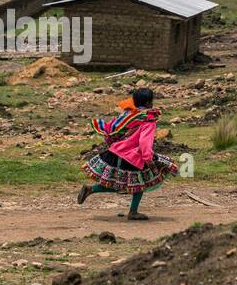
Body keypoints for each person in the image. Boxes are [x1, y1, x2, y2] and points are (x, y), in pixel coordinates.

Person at [76, 87, 178, 220]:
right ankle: (132, 211)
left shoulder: (129, 114)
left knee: (125, 184)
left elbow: (115, 132)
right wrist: (150, 161)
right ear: (148, 103)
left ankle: (92, 190)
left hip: (116, 151)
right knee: (137, 184)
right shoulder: (148, 120)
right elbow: (144, 144)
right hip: (132, 157)